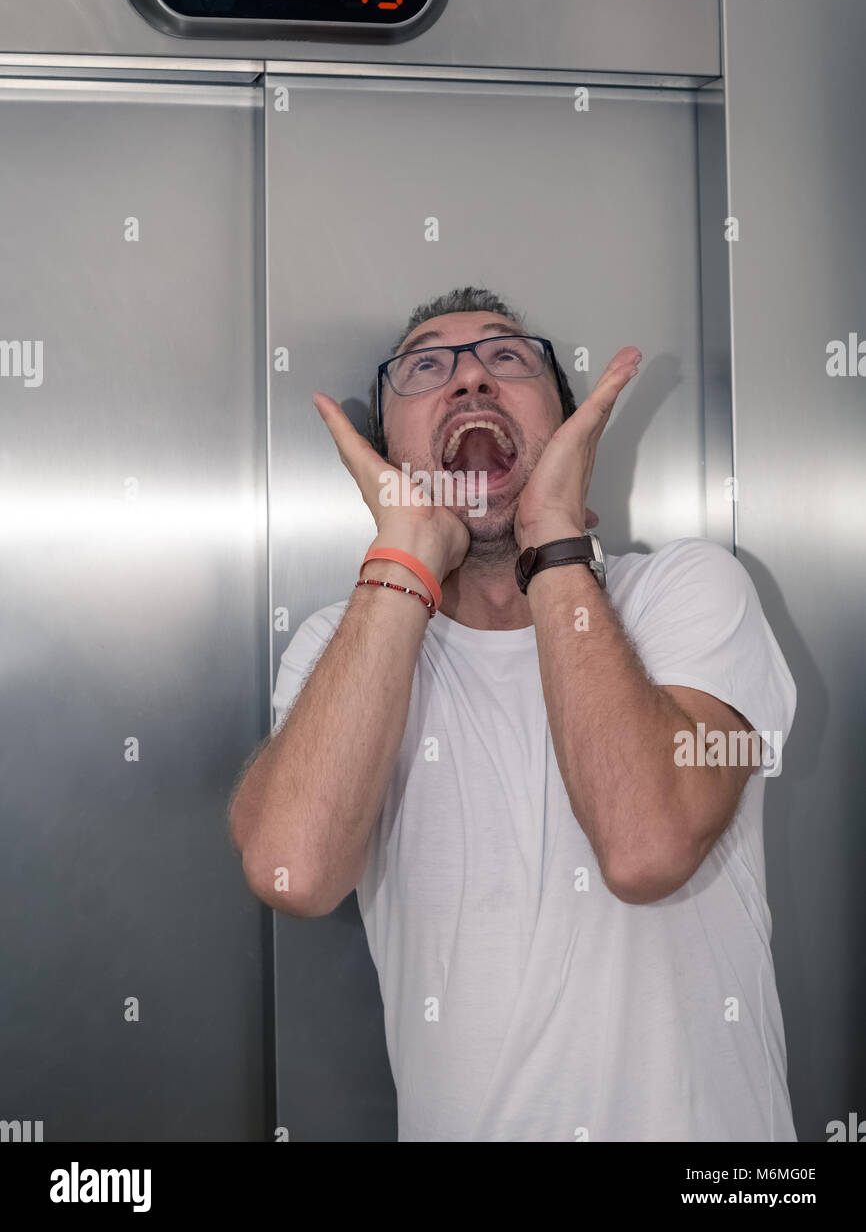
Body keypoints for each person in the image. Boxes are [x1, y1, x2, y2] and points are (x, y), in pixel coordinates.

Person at [229, 285, 798, 1143]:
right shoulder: (341, 647)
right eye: (426, 366)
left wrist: (553, 535)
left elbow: (644, 847)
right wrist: (405, 553)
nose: (468, 382)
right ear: (388, 453)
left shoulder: (686, 591)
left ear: (568, 428)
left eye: (506, 357)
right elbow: (293, 873)